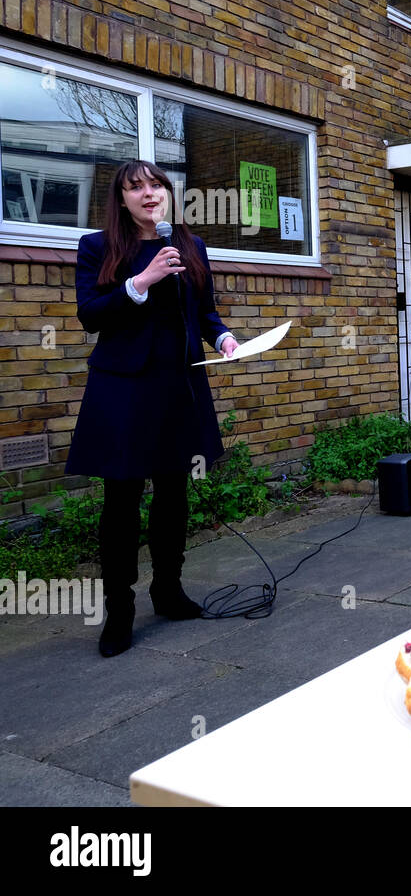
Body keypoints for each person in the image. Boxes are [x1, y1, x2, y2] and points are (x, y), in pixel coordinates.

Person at [66, 160, 239, 657]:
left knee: (173, 494)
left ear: (168, 194)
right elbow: (89, 316)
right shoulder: (97, 247)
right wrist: (141, 280)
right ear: (121, 200)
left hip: (178, 386)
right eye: (135, 187)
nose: (148, 193)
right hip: (122, 390)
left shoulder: (191, 245)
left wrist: (224, 337)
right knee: (121, 503)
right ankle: (118, 612)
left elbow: (204, 311)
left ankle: (168, 591)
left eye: (156, 185)